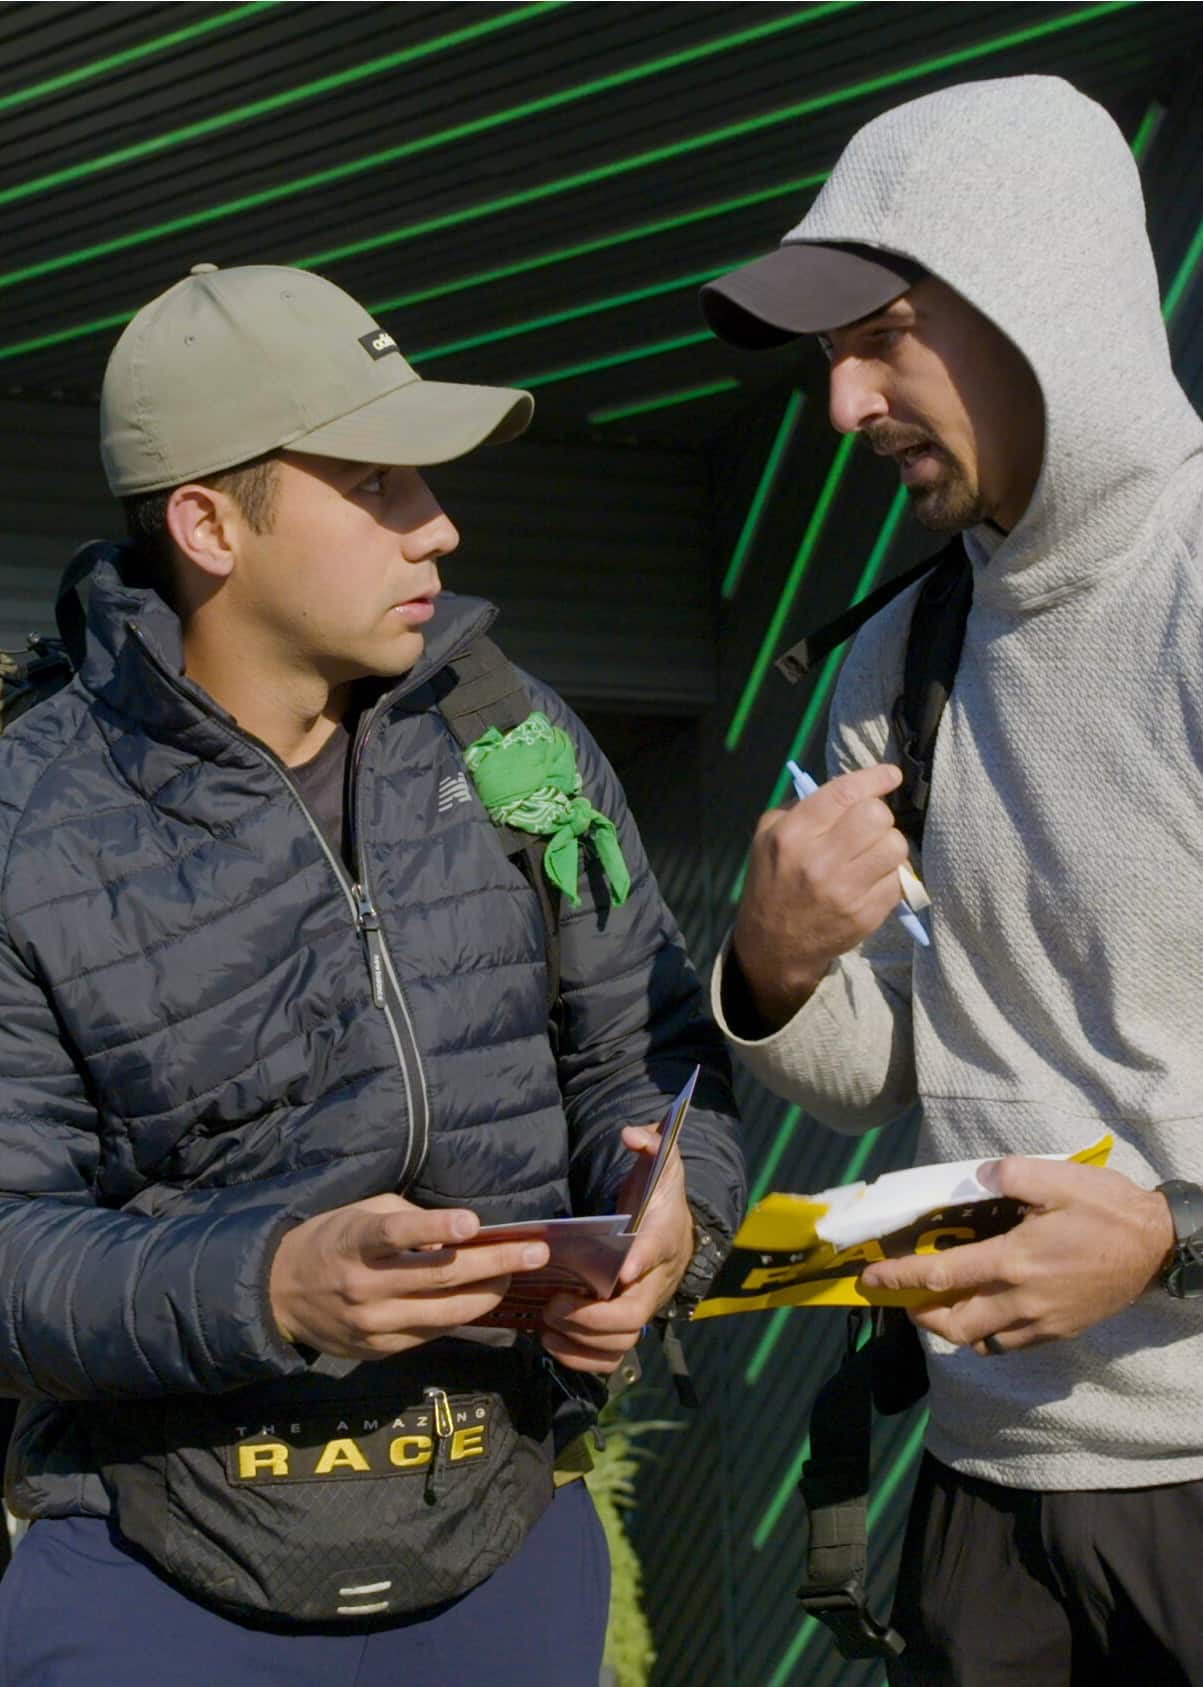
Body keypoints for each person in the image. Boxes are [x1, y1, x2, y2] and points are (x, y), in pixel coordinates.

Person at [0, 262, 745, 1684]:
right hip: (151, 1577)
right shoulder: (24, 829)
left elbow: (651, 1057)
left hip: (509, 1548)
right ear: (208, 523)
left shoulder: (517, 738)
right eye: (378, 485)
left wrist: (672, 1212)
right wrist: (267, 1286)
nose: (441, 527)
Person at [701, 74, 1203, 1684]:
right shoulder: (904, 650)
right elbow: (896, 1069)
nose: (843, 405)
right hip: (987, 1492)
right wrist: (774, 972)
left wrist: (1173, 1242)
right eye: (825, 358)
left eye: (884, 333)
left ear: (1040, 302)